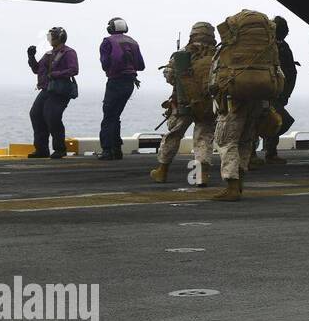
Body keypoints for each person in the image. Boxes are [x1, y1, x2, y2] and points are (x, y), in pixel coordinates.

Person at [210, 11, 282, 202]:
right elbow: (279, 74)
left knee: (226, 141)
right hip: (258, 101)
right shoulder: (268, 49)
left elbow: (215, 76)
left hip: (234, 101)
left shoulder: (228, 50)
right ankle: (239, 182)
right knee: (245, 141)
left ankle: (231, 186)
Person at [150, 22, 217, 185]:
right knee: (204, 138)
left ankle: (162, 170)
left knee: (173, 135)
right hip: (207, 105)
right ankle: (201, 175)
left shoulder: (182, 55)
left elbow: (170, 76)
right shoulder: (217, 55)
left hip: (183, 104)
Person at [98, 17, 145, 160]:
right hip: (129, 84)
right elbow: (141, 65)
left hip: (115, 82)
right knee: (115, 115)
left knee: (108, 116)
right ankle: (117, 149)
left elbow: (105, 64)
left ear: (110, 29)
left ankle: (107, 150)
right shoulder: (133, 42)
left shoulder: (107, 42)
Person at [27, 28, 79, 159]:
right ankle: (42, 149)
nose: (50, 39)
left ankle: (60, 149)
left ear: (59, 38)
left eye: (52, 37)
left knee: (52, 116)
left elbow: (74, 70)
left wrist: (56, 74)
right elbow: (37, 70)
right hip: (46, 89)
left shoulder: (69, 52)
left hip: (60, 91)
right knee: (36, 114)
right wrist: (31, 57)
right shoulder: (49, 54)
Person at [253, 16, 298, 165]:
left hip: (276, 93)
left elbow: (291, 72)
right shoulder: (265, 46)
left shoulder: (283, 47)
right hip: (262, 92)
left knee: (277, 122)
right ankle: (252, 155)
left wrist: (285, 94)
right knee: (257, 122)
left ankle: (270, 153)